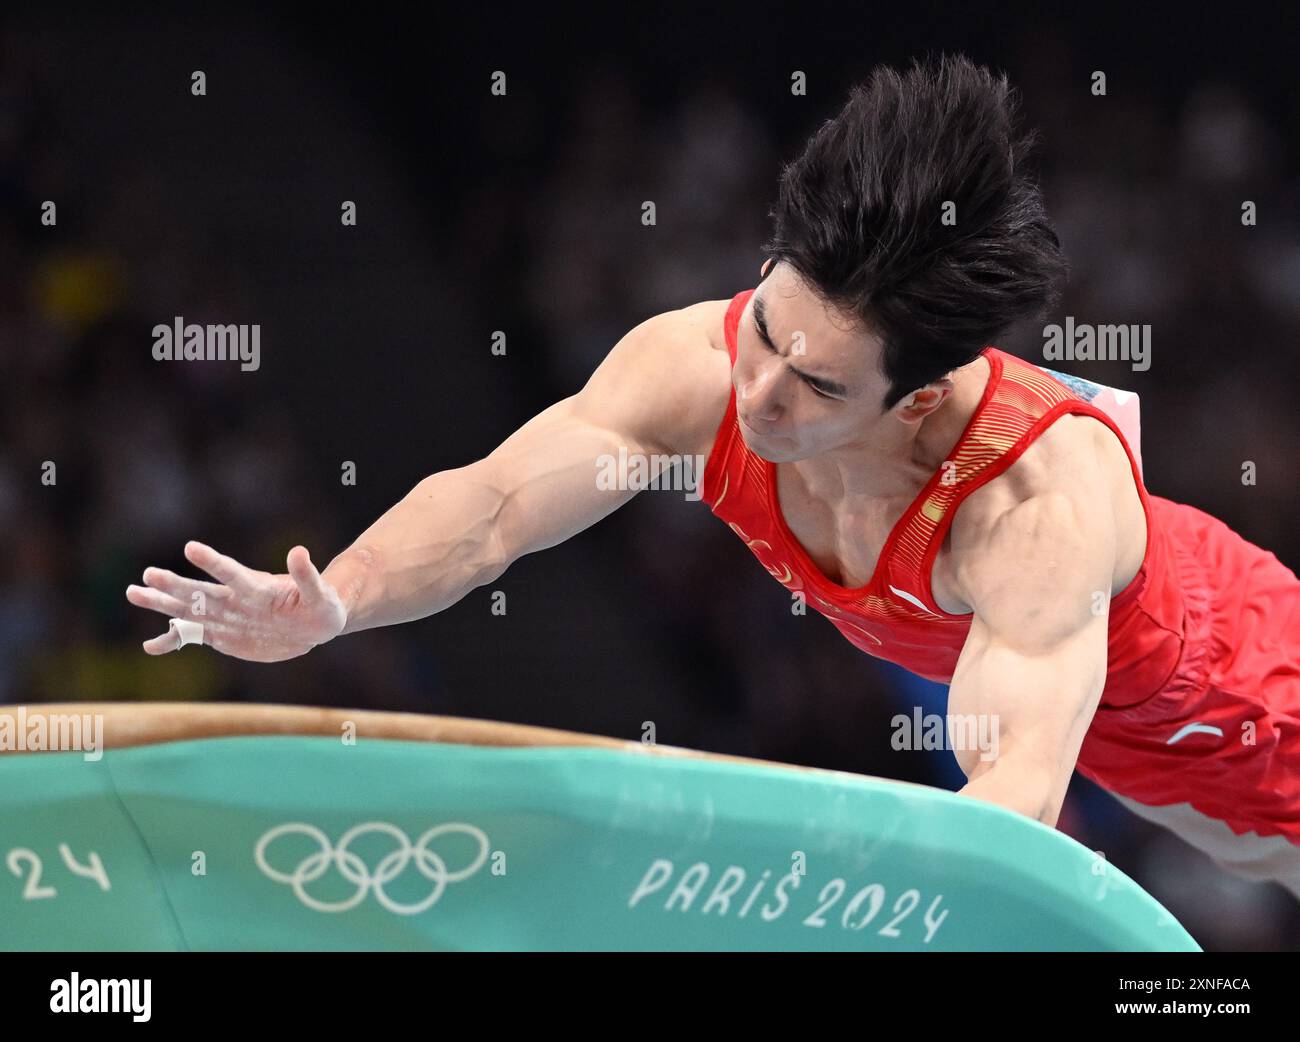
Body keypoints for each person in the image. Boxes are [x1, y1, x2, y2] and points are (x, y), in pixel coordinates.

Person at [125, 55, 1300, 895]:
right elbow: (493, 506)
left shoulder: (1029, 505)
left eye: (821, 386)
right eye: (767, 331)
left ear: (922, 395)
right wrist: (342, 595)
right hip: (1154, 769)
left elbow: (1015, 798)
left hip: (1263, 717)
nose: (761, 395)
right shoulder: (695, 366)